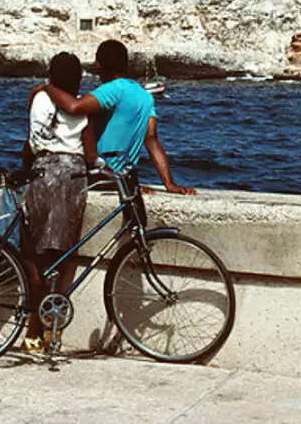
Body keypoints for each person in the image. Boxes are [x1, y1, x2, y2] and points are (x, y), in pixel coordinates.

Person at [43, 39, 195, 196]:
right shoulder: (145, 97)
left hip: (100, 177)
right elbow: (152, 140)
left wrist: (47, 88)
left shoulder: (112, 90)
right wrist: (169, 183)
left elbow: (74, 107)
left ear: (99, 65)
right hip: (125, 178)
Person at [20, 52, 96, 349]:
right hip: (70, 179)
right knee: (60, 256)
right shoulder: (84, 107)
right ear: (77, 79)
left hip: (40, 174)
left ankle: (31, 330)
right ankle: (52, 327)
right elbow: (89, 156)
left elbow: (31, 140)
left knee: (33, 253)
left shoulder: (38, 98)